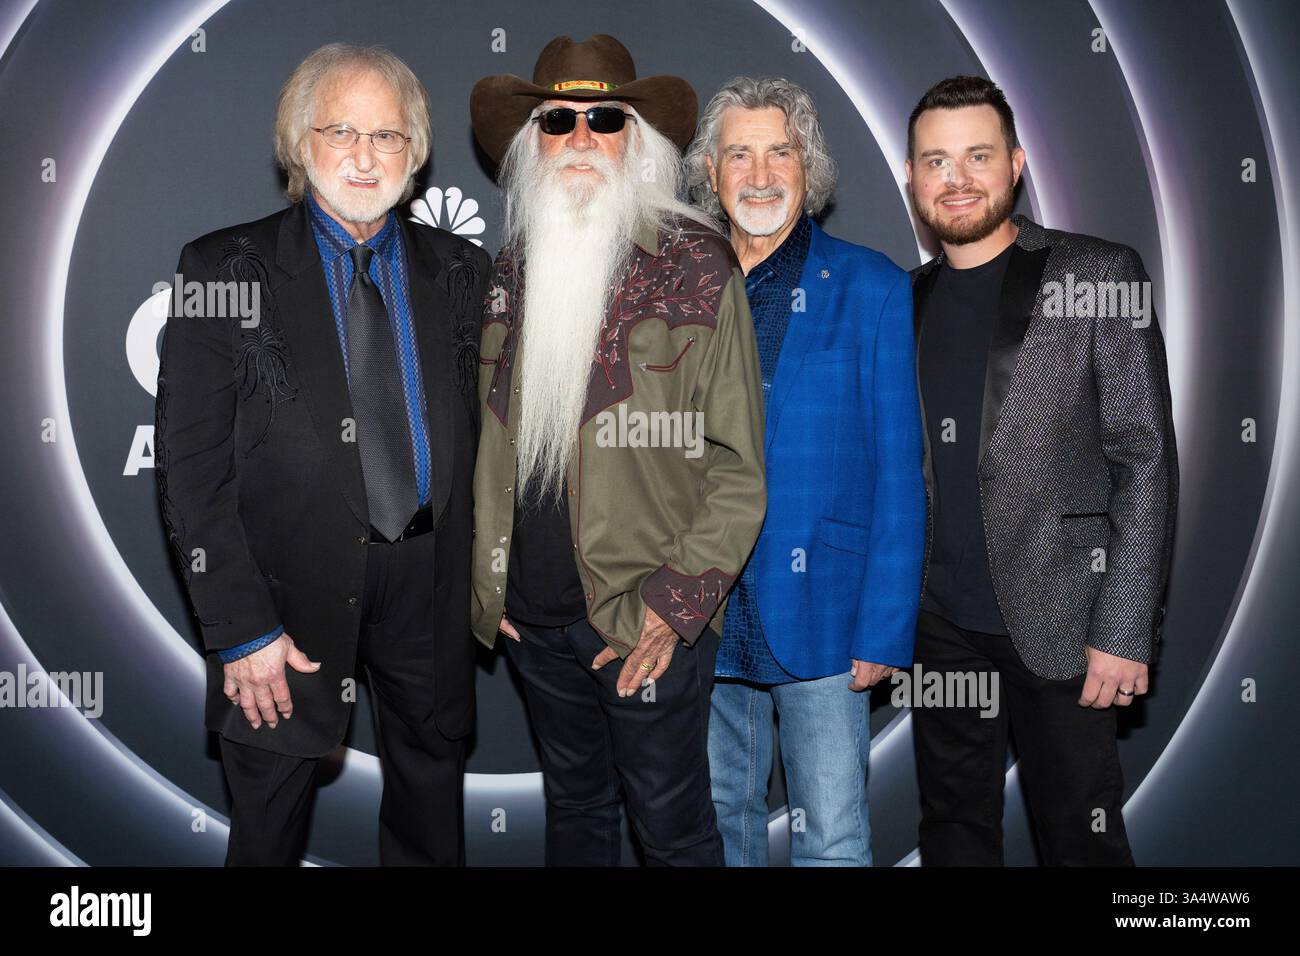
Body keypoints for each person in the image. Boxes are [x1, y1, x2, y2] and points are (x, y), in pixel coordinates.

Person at [154, 43, 490, 865]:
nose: (366, 156)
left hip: (429, 588)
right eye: (342, 131)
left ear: (415, 154)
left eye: (388, 136)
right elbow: (190, 469)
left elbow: (501, 439)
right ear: (299, 144)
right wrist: (238, 632)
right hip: (282, 598)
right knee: (268, 823)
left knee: (431, 820)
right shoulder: (221, 267)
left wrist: (497, 574)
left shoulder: (465, 272)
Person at [467, 34, 766, 865]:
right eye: (559, 120)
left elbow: (738, 470)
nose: (583, 137)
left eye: (606, 117)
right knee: (577, 817)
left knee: (672, 832)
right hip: (533, 619)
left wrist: (672, 612)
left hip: (641, 616)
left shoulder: (700, 266)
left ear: (638, 142)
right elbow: (486, 444)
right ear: (534, 141)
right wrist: (489, 586)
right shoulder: (510, 269)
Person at [904, 75, 1178, 865]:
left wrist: (1125, 629)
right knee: (952, 833)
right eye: (935, 161)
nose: (956, 178)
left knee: (1080, 839)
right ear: (913, 181)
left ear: (1016, 164)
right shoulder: (903, 299)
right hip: (938, 626)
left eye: (977, 155)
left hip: (1066, 621)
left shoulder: (1097, 273)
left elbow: (1145, 457)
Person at [684, 76, 925, 866]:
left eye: (779, 151)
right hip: (701, 612)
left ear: (809, 167)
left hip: (825, 611)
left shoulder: (874, 287)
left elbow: (900, 471)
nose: (759, 174)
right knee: (722, 825)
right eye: (739, 155)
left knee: (833, 833)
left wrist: (886, 625)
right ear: (711, 175)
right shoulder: (677, 289)